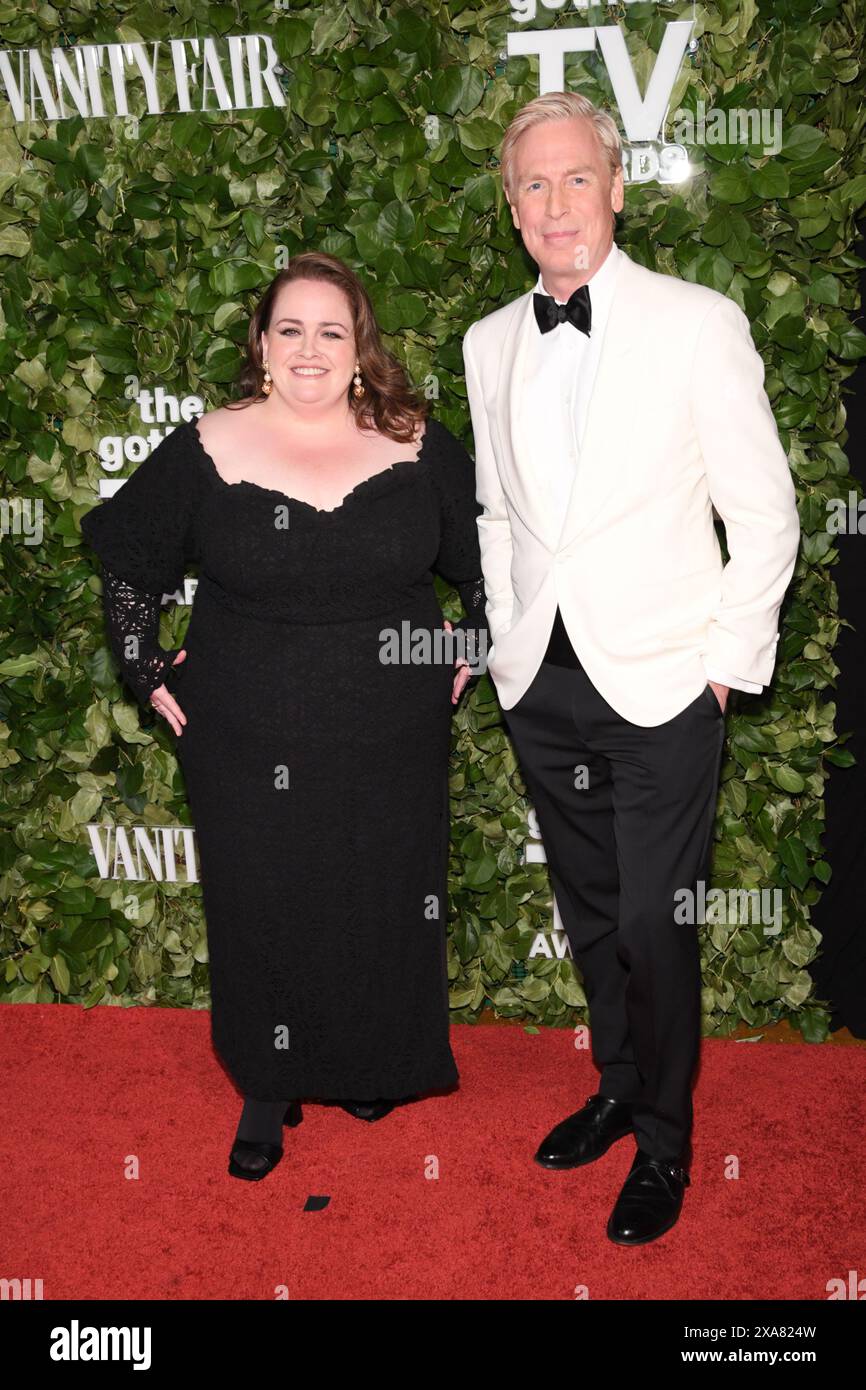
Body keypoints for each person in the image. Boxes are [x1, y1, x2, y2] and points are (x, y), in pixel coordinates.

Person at [462, 92, 800, 1244]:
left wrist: (724, 665)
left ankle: (664, 1138)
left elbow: (765, 514)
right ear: (512, 212)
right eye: (531, 186)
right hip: (543, 681)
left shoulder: (697, 322)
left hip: (663, 679)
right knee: (591, 908)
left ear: (614, 186)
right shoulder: (486, 342)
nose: (554, 205)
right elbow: (497, 512)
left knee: (656, 923)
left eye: (572, 179)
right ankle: (614, 1081)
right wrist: (511, 640)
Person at [81, 252, 489, 1181]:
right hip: (246, 725)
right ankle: (270, 1080)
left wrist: (471, 644)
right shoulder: (208, 444)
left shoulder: (419, 441)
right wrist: (145, 668)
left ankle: (373, 1060)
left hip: (390, 725)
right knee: (265, 897)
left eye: (331, 330)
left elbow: (487, 560)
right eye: (291, 329)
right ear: (262, 345)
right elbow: (129, 557)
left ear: (360, 349)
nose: (310, 349)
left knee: (382, 890)